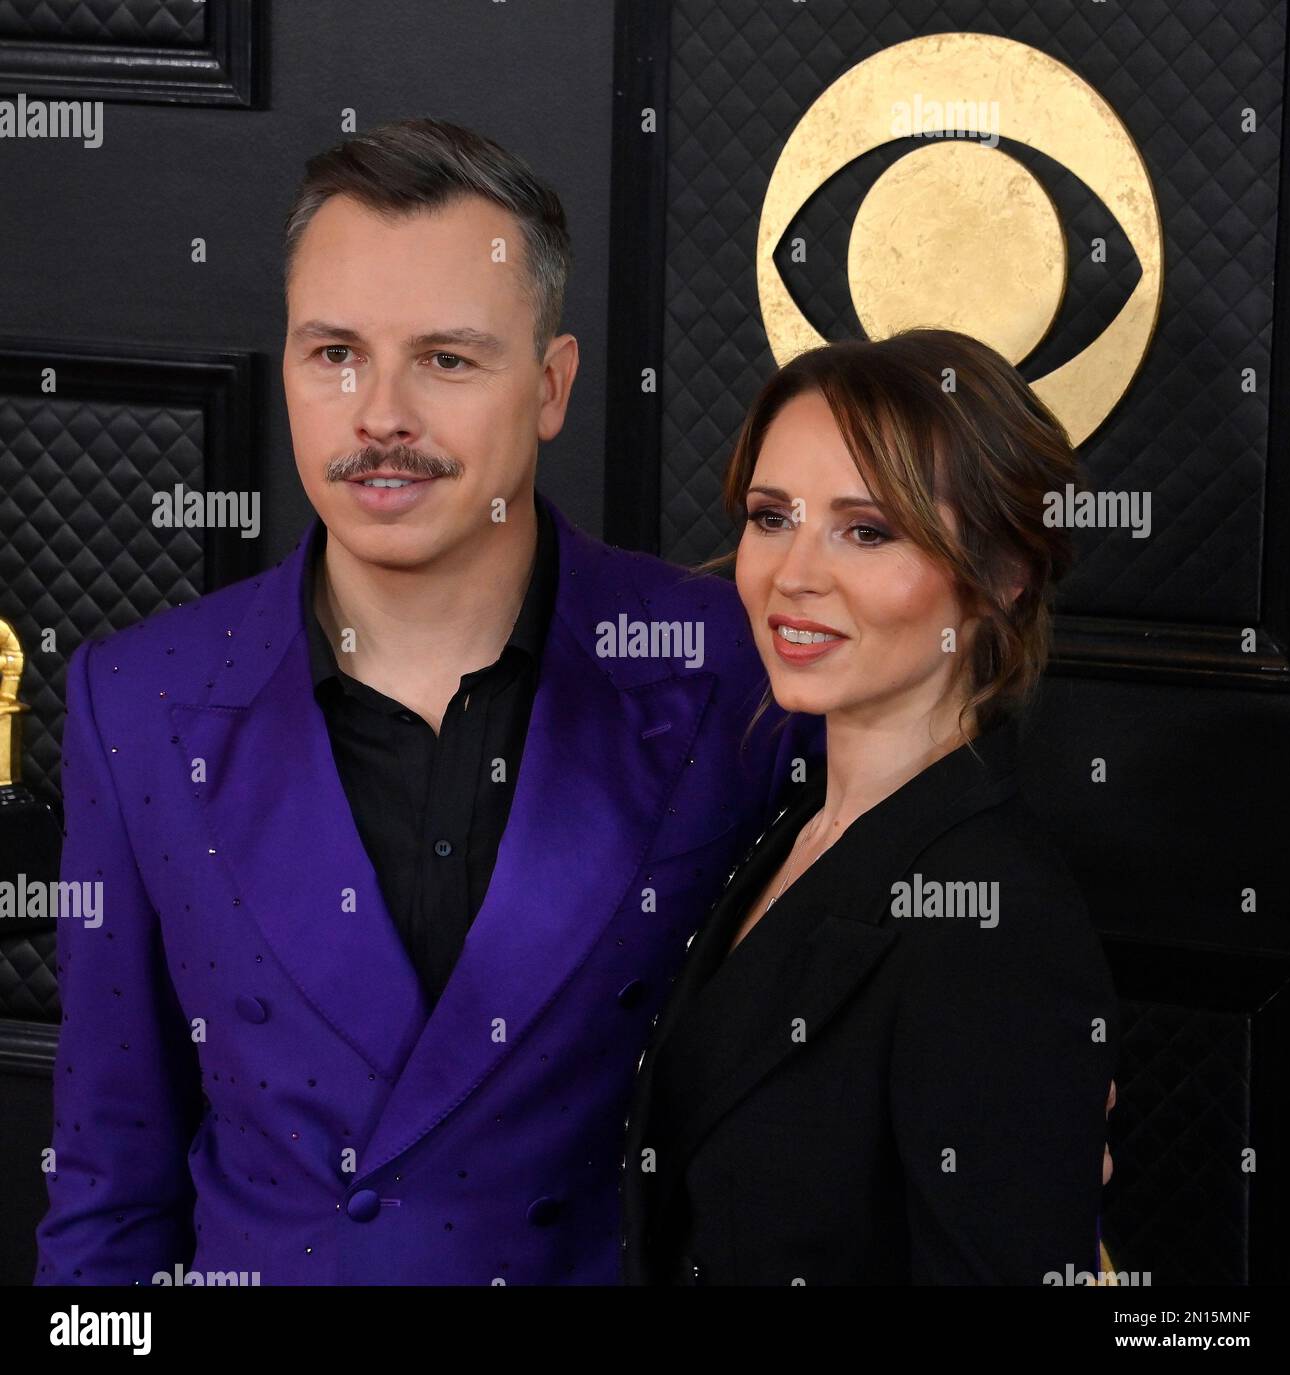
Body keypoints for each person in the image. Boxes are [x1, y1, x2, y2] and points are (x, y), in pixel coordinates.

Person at [33, 117, 816, 1286]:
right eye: (334, 353)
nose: (379, 415)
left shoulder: (736, 668)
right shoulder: (135, 700)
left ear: (551, 387)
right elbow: (107, 1180)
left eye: (446, 359)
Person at [621, 331, 1120, 1285]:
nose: (793, 574)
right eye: (773, 517)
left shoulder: (995, 920)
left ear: (1003, 575)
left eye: (868, 529)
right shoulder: (795, 828)